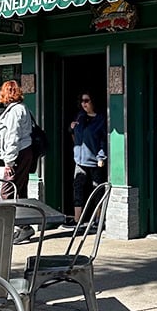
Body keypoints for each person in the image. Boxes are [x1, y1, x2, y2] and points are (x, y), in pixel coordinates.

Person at [0, 80, 35, 244]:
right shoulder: (23, 109)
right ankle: (24, 226)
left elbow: (12, 138)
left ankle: (11, 228)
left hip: (17, 155)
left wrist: (9, 163)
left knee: (7, 192)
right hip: (25, 152)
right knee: (20, 190)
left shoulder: (14, 112)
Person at [68, 91, 107, 226]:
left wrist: (101, 157)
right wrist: (72, 128)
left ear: (93, 102)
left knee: (97, 189)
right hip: (79, 159)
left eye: (86, 101)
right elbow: (75, 134)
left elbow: (103, 140)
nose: (83, 103)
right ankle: (77, 219)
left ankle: (98, 220)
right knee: (77, 187)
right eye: (82, 101)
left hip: (95, 160)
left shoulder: (101, 119)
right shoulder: (80, 117)